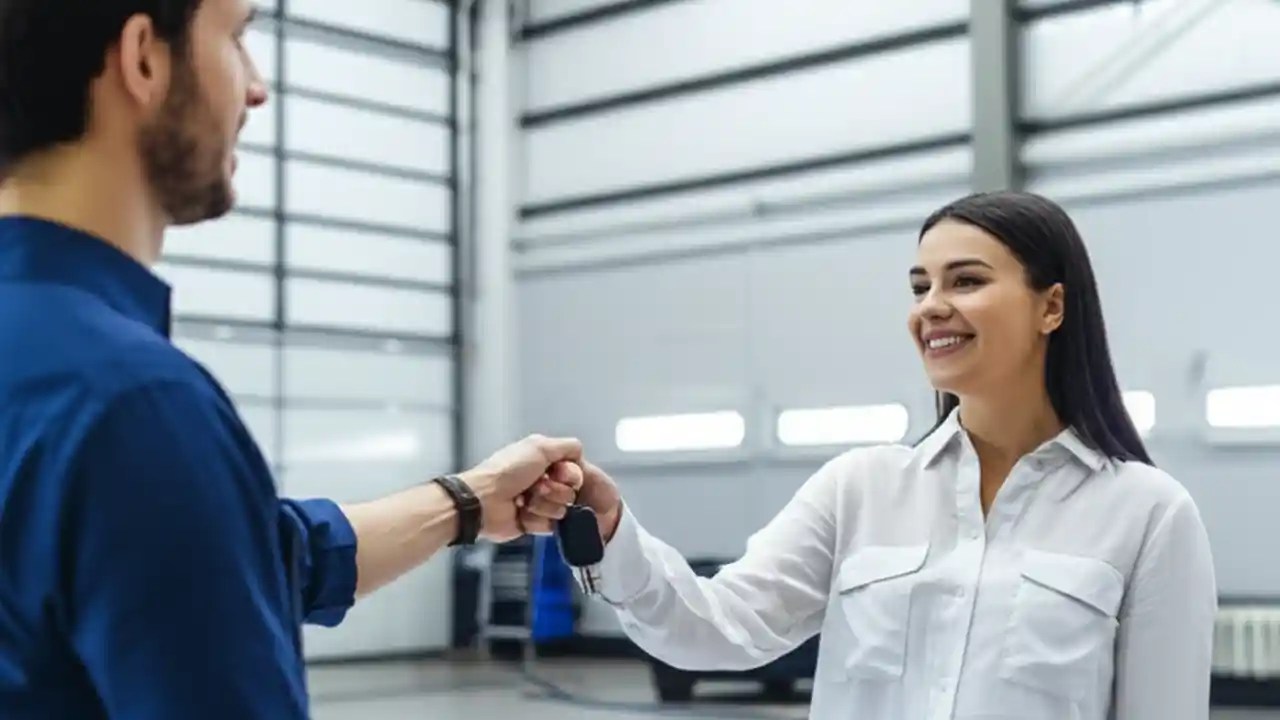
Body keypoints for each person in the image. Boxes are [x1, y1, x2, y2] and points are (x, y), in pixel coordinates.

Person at [0, 1, 584, 718]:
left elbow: (240, 558)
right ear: (144, 56)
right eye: (238, 39)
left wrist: (466, 502)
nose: (256, 86)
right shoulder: (130, 402)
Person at [525, 191, 1218, 719]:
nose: (931, 307)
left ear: (1052, 307)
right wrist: (612, 531)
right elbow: (714, 627)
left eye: (966, 281)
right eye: (921, 287)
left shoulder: (1147, 515)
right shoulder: (861, 489)